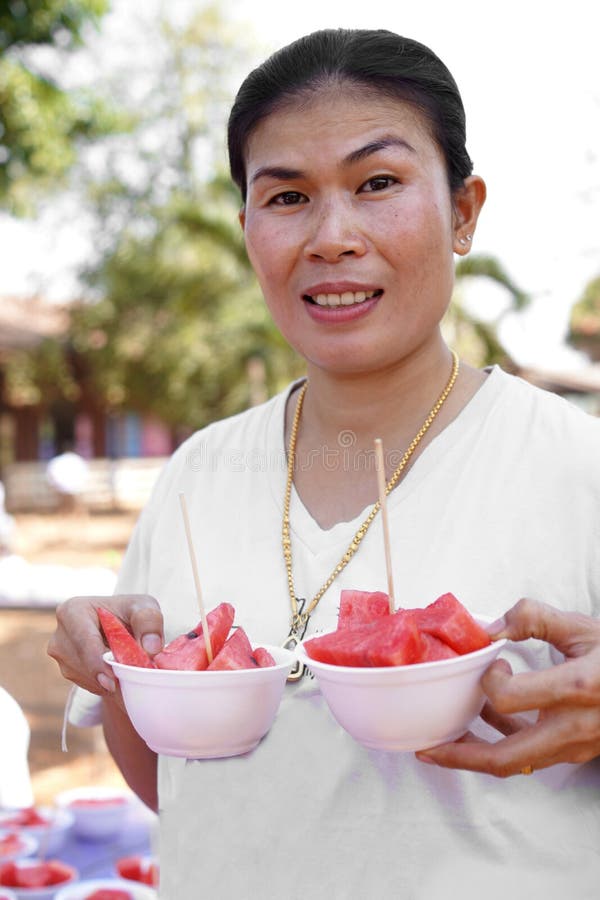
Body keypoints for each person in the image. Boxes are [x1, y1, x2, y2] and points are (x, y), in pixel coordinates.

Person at [48, 28, 600, 899]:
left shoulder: (579, 468)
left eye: (378, 183)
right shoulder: (200, 474)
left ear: (463, 211)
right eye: (287, 197)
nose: (332, 236)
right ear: (247, 231)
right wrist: (120, 671)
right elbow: (175, 786)